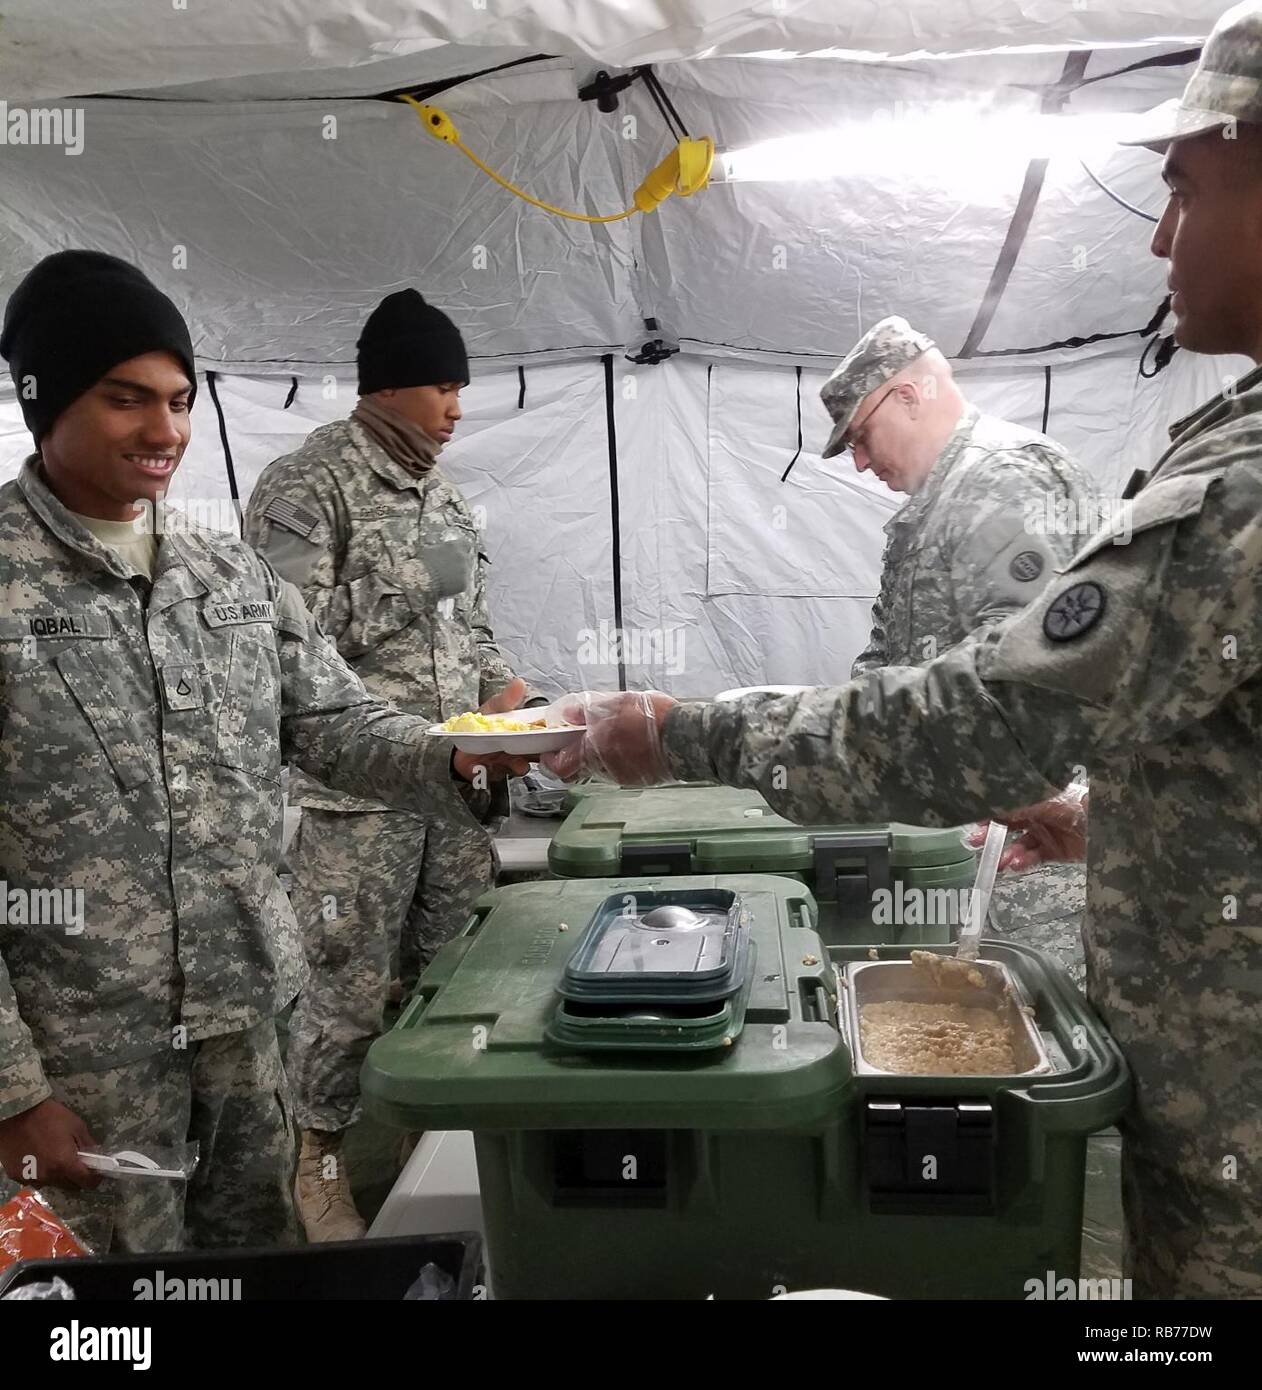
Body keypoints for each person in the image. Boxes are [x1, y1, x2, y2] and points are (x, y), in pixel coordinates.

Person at [544, 1, 1262, 1298]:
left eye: (1185, 190)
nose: (1159, 233)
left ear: (906, 392)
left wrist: (675, 732)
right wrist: (1113, 821)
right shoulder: (1212, 440)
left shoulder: (1205, 479)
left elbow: (989, 713)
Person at [0, 251, 527, 1253]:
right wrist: (12, 1089)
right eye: (126, 399)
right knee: (109, 1307)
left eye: (179, 399)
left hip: (247, 1028)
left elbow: (330, 719)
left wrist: (456, 757)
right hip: (88, 1062)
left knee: (258, 1268)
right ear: (45, 399)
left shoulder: (222, 571)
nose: (166, 431)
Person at [244, 289, 535, 1240]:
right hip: (357, 799)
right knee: (347, 988)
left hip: (457, 789)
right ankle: (318, 1162)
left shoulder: (447, 499)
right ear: (388, 386)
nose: (457, 408)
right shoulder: (308, 488)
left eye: (461, 388)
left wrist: (505, 694)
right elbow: (285, 654)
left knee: (460, 971)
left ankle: (441, 1141)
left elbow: (473, 626)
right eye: (443, 386)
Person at [821, 318, 1092, 980]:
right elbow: (886, 666)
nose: (859, 460)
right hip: (969, 848)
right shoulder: (927, 513)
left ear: (910, 394)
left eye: (859, 436)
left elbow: (1027, 683)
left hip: (1030, 861)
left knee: (1038, 1045)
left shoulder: (1001, 478)